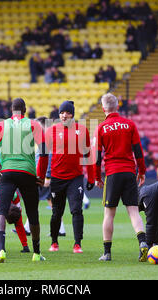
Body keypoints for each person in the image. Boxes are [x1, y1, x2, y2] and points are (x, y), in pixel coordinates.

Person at [0, 98, 49, 263]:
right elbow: (44, 150)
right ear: (25, 111)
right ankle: (36, 253)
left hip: (7, 172)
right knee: (32, 214)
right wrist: (41, 176)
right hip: (28, 173)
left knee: (1, 211)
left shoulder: (1, 125)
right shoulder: (33, 125)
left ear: (12, 110)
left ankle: (1, 250)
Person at [94, 93, 148, 262]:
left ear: (103, 109)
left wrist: (97, 177)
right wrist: (142, 171)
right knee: (133, 211)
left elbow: (96, 156)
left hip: (112, 172)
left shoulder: (102, 127)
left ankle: (107, 253)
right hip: (129, 172)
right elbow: (138, 150)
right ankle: (143, 242)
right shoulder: (130, 124)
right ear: (117, 107)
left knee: (109, 214)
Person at [45, 101, 95, 253]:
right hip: (57, 177)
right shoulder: (52, 130)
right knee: (56, 212)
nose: (64, 115)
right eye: (61, 112)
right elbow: (45, 156)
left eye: (67, 112)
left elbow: (88, 155)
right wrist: (45, 176)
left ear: (72, 114)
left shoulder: (82, 130)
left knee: (76, 210)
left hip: (75, 177)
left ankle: (77, 244)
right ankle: (54, 242)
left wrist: (91, 177)